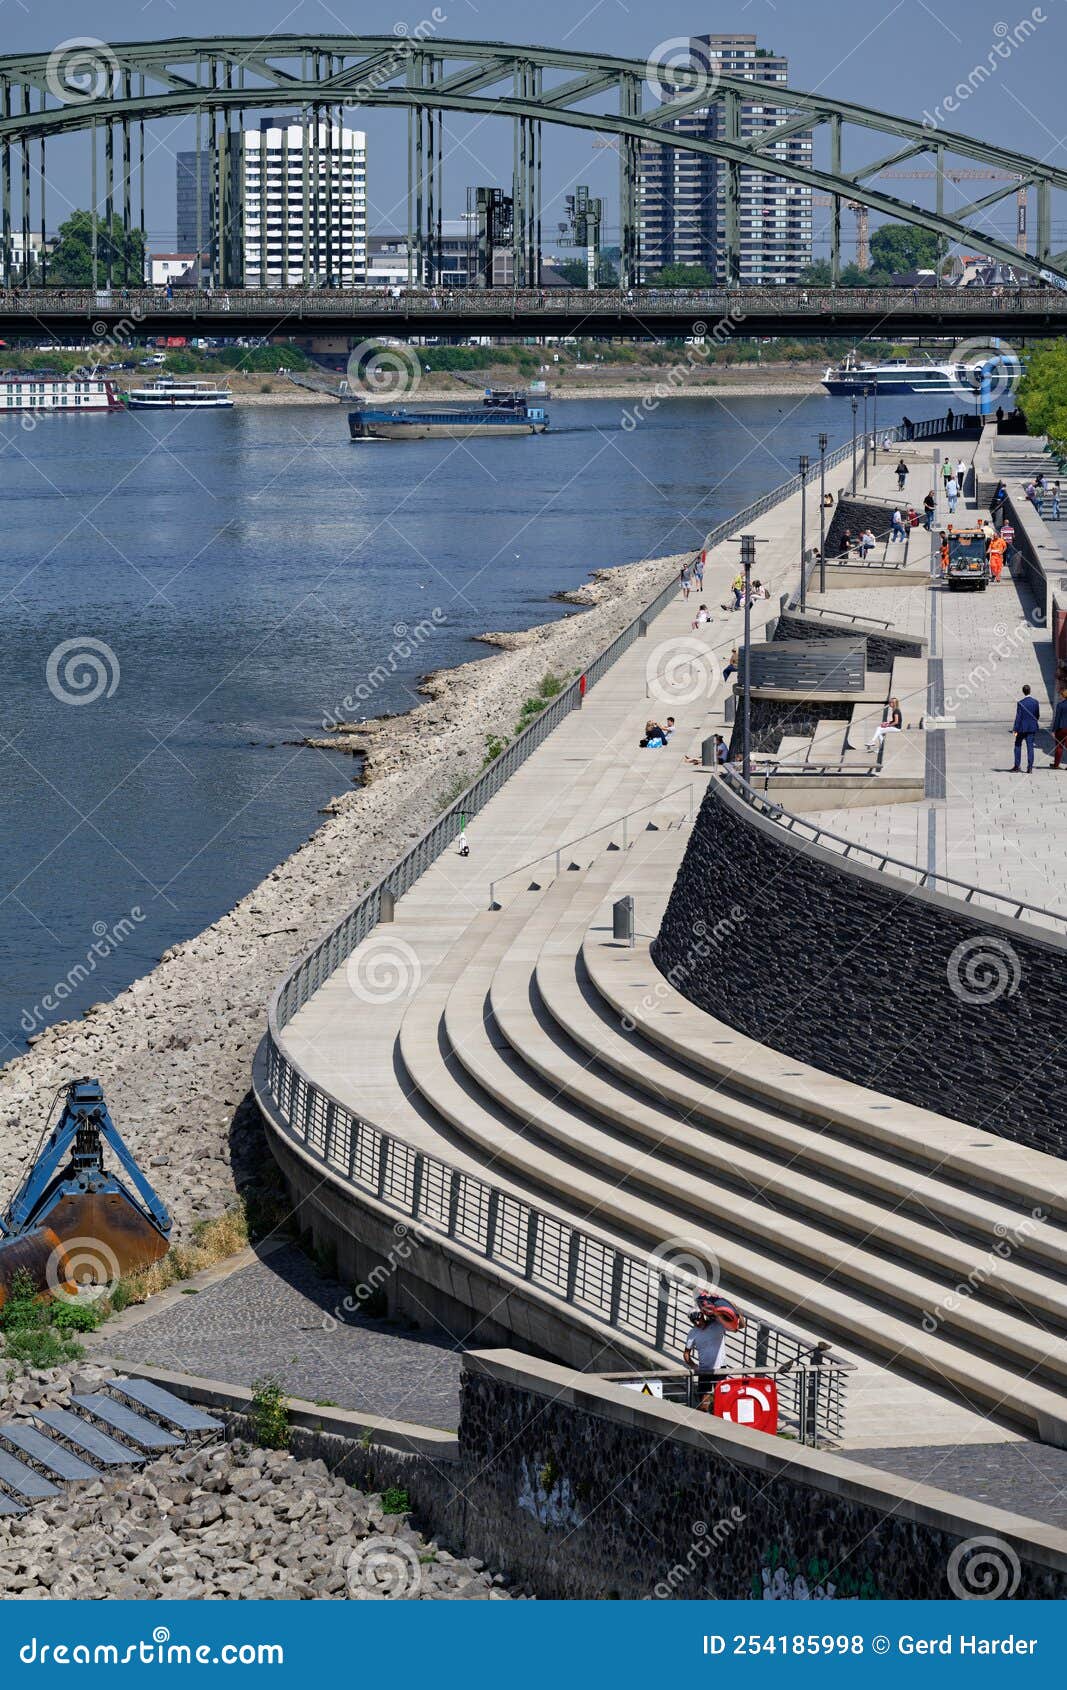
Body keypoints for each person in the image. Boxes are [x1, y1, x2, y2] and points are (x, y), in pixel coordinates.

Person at [683, 1292, 745, 1408]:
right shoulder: (692, 1333)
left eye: (698, 1319)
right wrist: (694, 1366)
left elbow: (740, 1326)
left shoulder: (717, 1324)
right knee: (703, 1404)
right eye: (693, 1321)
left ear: (702, 1316)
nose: (697, 1323)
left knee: (722, 1400)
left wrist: (735, 1309)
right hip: (704, 1370)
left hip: (720, 1369)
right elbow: (686, 1354)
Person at [1012, 684, 1040, 773]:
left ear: (1023, 691)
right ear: (1030, 690)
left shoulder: (1021, 703)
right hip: (1031, 727)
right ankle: (1030, 767)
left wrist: (1015, 729)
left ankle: (1017, 766)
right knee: (1030, 747)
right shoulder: (1035, 702)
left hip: (1022, 728)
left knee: (1017, 745)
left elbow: (1018, 717)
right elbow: (1037, 715)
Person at [1053, 687, 1067, 768]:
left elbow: (1057, 718)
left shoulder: (1060, 705)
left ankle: (1056, 764)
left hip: (1061, 728)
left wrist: (1053, 730)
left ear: (1063, 696)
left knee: (1059, 746)